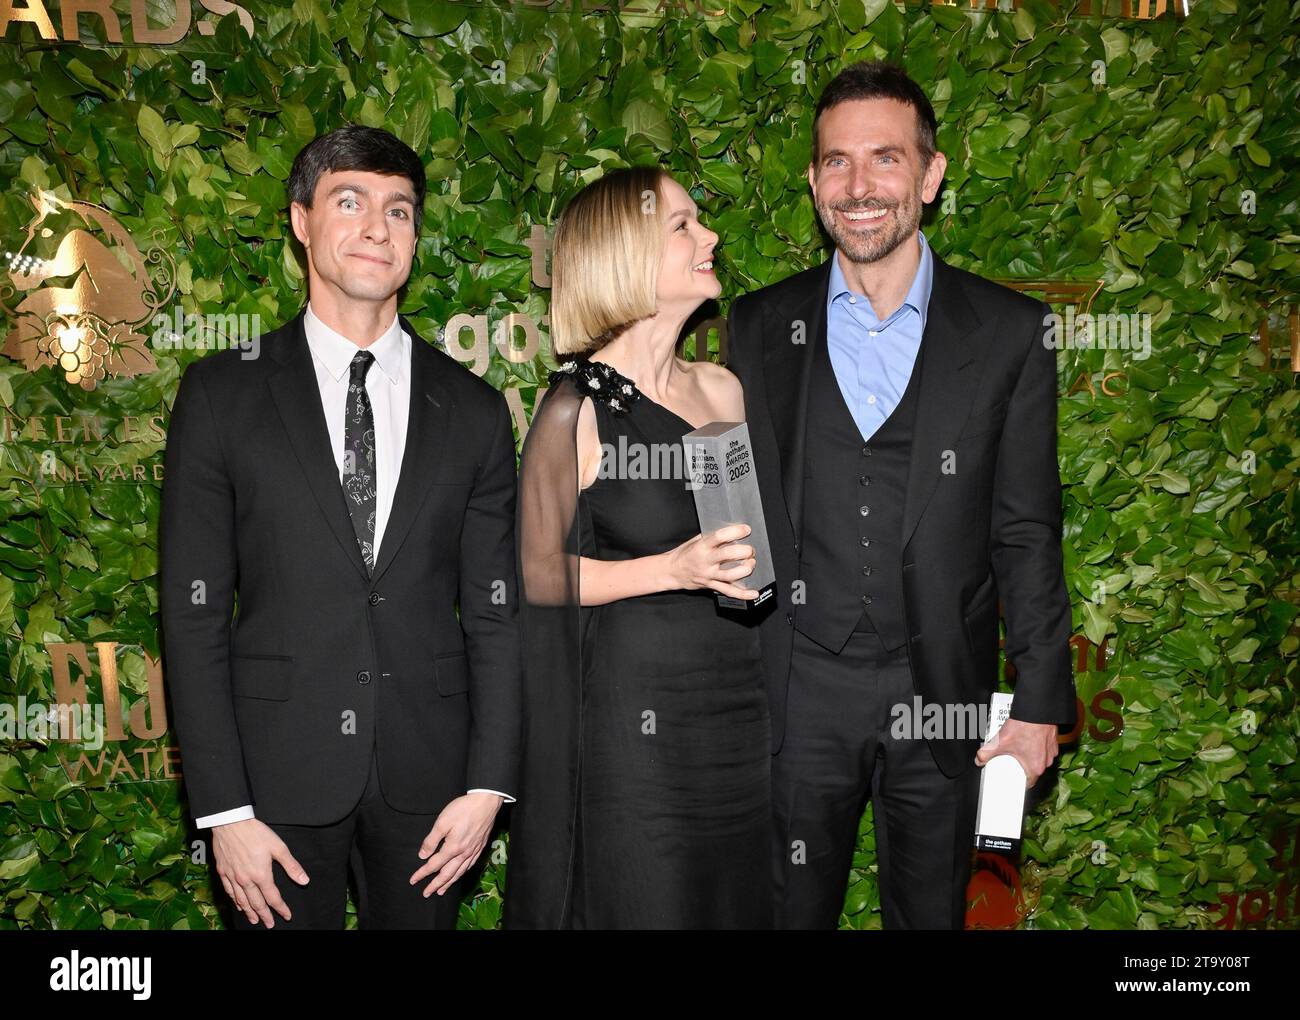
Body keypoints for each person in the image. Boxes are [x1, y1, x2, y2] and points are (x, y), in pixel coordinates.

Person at [725, 61, 1077, 929]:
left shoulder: (1007, 334)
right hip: (795, 692)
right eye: (836, 163)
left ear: (930, 173)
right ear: (812, 182)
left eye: (885, 159)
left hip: (942, 692)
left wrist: (1040, 701)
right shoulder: (757, 327)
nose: (859, 187)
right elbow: (731, 515)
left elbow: (1027, 526)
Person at [159, 125, 521, 930]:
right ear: (301, 220)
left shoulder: (472, 410)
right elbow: (192, 615)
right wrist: (222, 811)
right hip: (272, 782)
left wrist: (488, 787)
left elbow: (497, 613)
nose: (375, 228)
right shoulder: (221, 394)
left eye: (399, 211)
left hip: (432, 789)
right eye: (349, 201)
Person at [504, 166, 772, 929]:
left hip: (737, 707)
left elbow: (741, 549)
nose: (710, 236)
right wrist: (672, 569)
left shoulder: (722, 391)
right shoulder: (572, 410)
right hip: (635, 720)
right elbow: (536, 574)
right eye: (683, 225)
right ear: (623, 254)